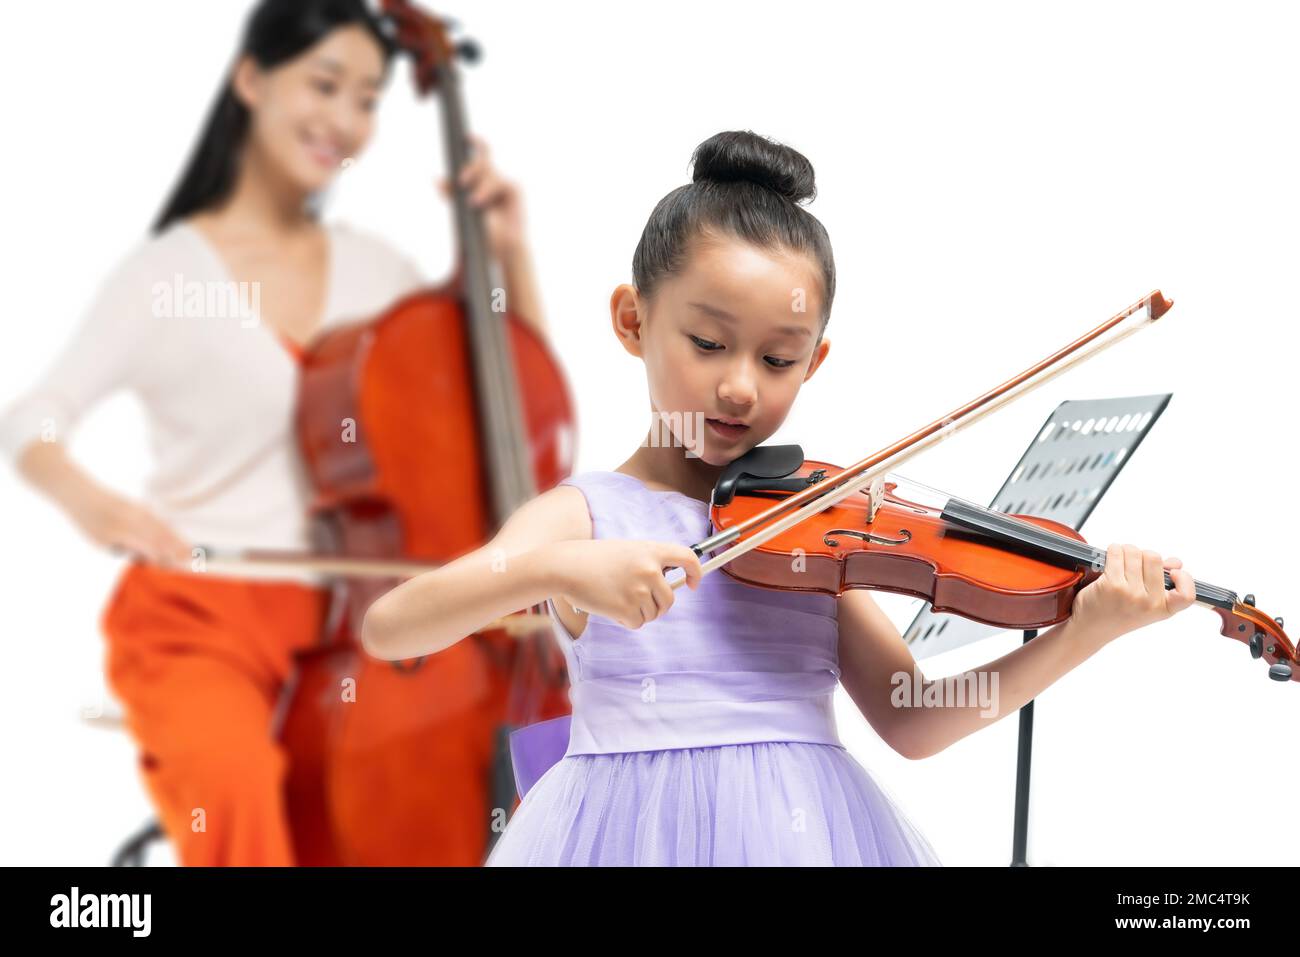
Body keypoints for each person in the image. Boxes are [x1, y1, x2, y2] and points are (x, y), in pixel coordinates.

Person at [359, 129, 1197, 866]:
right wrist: (559, 568)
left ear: (816, 361)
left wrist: (1086, 633)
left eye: (777, 359)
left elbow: (914, 720)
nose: (737, 387)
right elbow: (394, 623)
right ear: (632, 320)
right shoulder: (586, 516)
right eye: (708, 342)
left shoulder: (813, 529)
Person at [0, 0, 547, 866]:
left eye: (368, 97)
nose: (345, 118)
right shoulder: (166, 274)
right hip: (199, 616)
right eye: (324, 84)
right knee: (235, 789)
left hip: (370, 620)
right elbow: (32, 416)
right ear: (251, 79)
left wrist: (508, 253)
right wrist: (96, 502)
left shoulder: (381, 274)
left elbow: (512, 402)